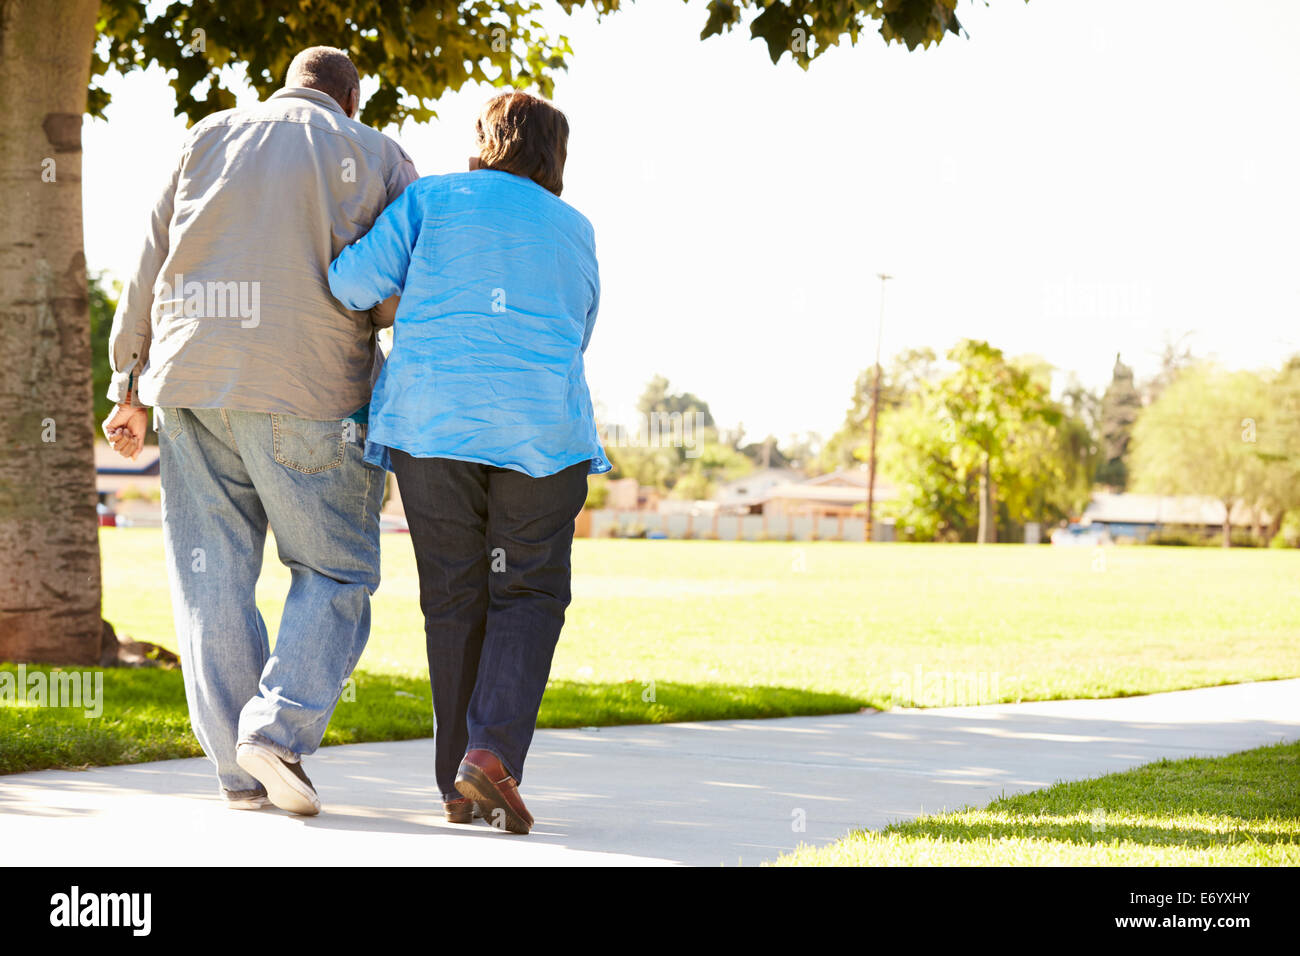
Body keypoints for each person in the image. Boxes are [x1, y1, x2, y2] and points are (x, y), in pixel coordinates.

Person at [103, 46, 417, 816]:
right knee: (336, 570)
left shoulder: (206, 136)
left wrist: (126, 385)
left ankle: (241, 778)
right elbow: (399, 286)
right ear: (351, 97)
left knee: (211, 577)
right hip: (311, 384)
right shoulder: (377, 154)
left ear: (284, 85)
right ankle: (275, 736)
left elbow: (149, 261)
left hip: (191, 384)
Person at [328, 91, 609, 834]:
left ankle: (459, 784)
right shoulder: (574, 228)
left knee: (453, 598)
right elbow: (579, 329)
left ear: (484, 140)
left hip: (432, 423)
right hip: (542, 436)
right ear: (556, 157)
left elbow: (351, 282)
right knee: (528, 593)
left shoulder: (430, 201)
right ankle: (487, 755)